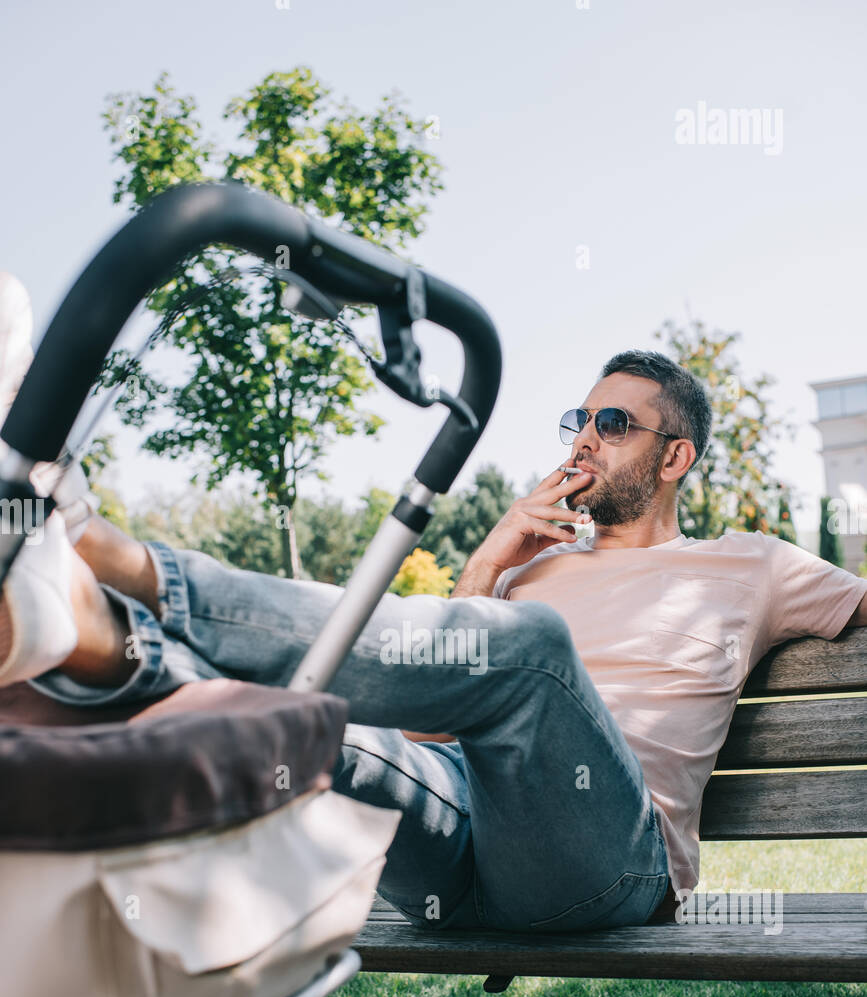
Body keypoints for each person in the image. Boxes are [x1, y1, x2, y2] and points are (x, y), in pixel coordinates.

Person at [2, 277, 866, 931]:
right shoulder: (529, 572)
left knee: (528, 646)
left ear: (673, 458)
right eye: (579, 419)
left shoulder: (751, 565)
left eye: (612, 424)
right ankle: (106, 640)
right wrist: (489, 560)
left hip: (612, 873)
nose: (582, 441)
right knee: (286, 720)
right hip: (455, 871)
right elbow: (421, 746)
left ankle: (117, 560)